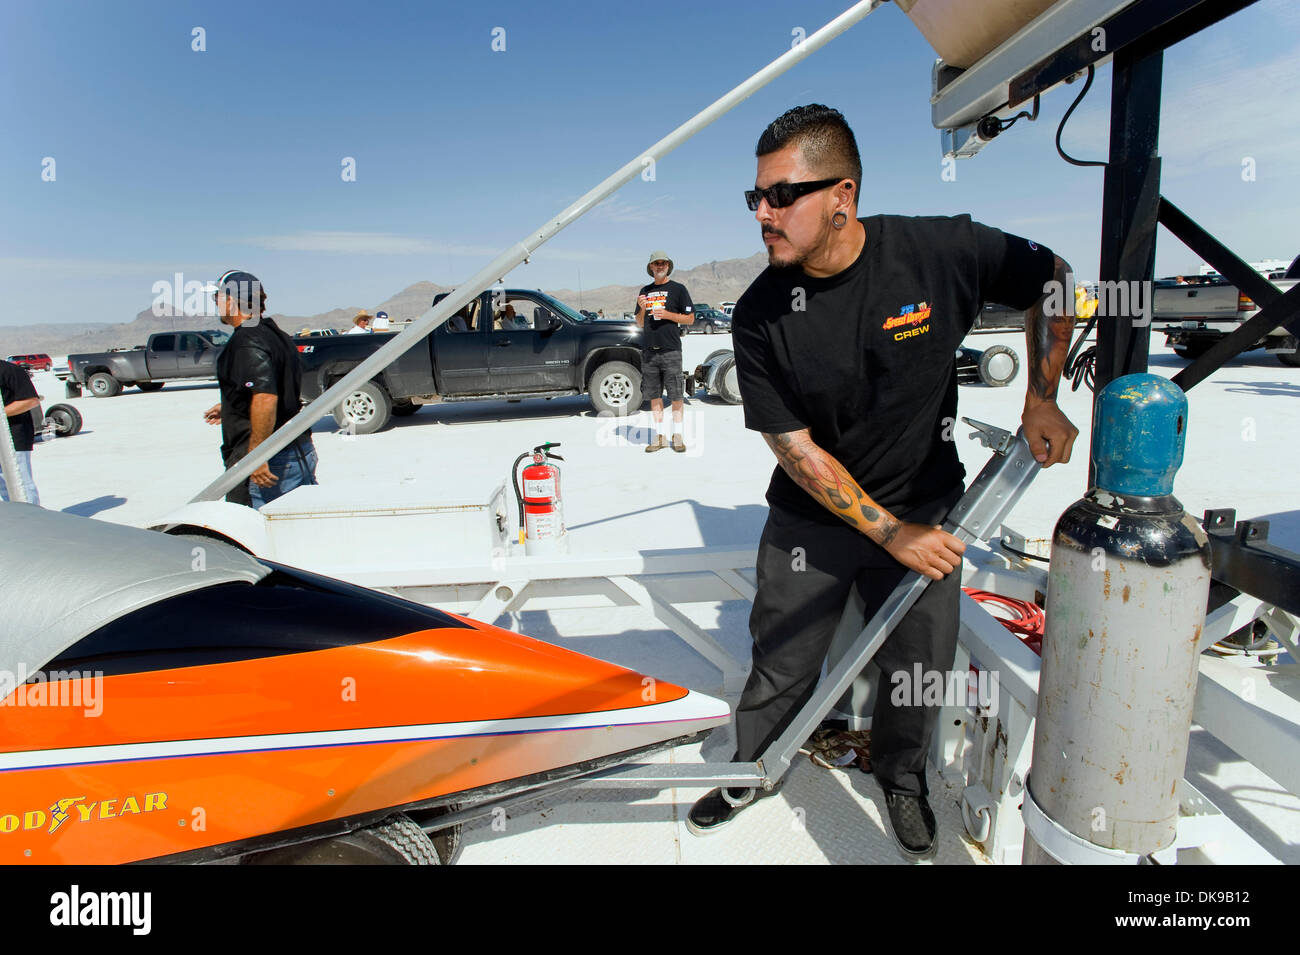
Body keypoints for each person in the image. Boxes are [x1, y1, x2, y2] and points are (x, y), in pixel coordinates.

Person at [686, 104, 1079, 861]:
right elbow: (795, 449)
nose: (763, 213)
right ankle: (753, 767)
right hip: (814, 521)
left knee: (918, 667)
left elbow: (1053, 278)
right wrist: (887, 532)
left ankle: (902, 778)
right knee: (783, 655)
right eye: (755, 197)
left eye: (781, 195)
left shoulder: (937, 251)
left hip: (927, 505)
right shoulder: (761, 313)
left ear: (843, 195)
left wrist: (1043, 394)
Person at [201, 270, 317, 509]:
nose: (216, 305)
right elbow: (275, 385)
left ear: (231, 300)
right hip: (298, 450)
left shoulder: (246, 340)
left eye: (217, 298)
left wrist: (257, 455)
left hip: (271, 462)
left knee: (256, 536)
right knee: (300, 528)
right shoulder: (277, 334)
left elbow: (265, 397)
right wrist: (233, 405)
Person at [634, 250, 694, 451]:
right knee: (654, 396)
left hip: (671, 351)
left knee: (676, 395)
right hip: (649, 352)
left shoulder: (678, 289)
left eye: (663, 263)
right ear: (651, 267)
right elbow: (639, 322)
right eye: (656, 263)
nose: (659, 266)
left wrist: (668, 314)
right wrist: (642, 308)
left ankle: (677, 436)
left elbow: (690, 319)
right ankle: (659, 437)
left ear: (668, 266)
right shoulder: (645, 291)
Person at [0, 358, 41, 504]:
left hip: (14, 437)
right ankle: (19, 517)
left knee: (20, 484)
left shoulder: (10, 370)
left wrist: (1, 414)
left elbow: (30, 400)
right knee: (3, 486)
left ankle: (33, 518)